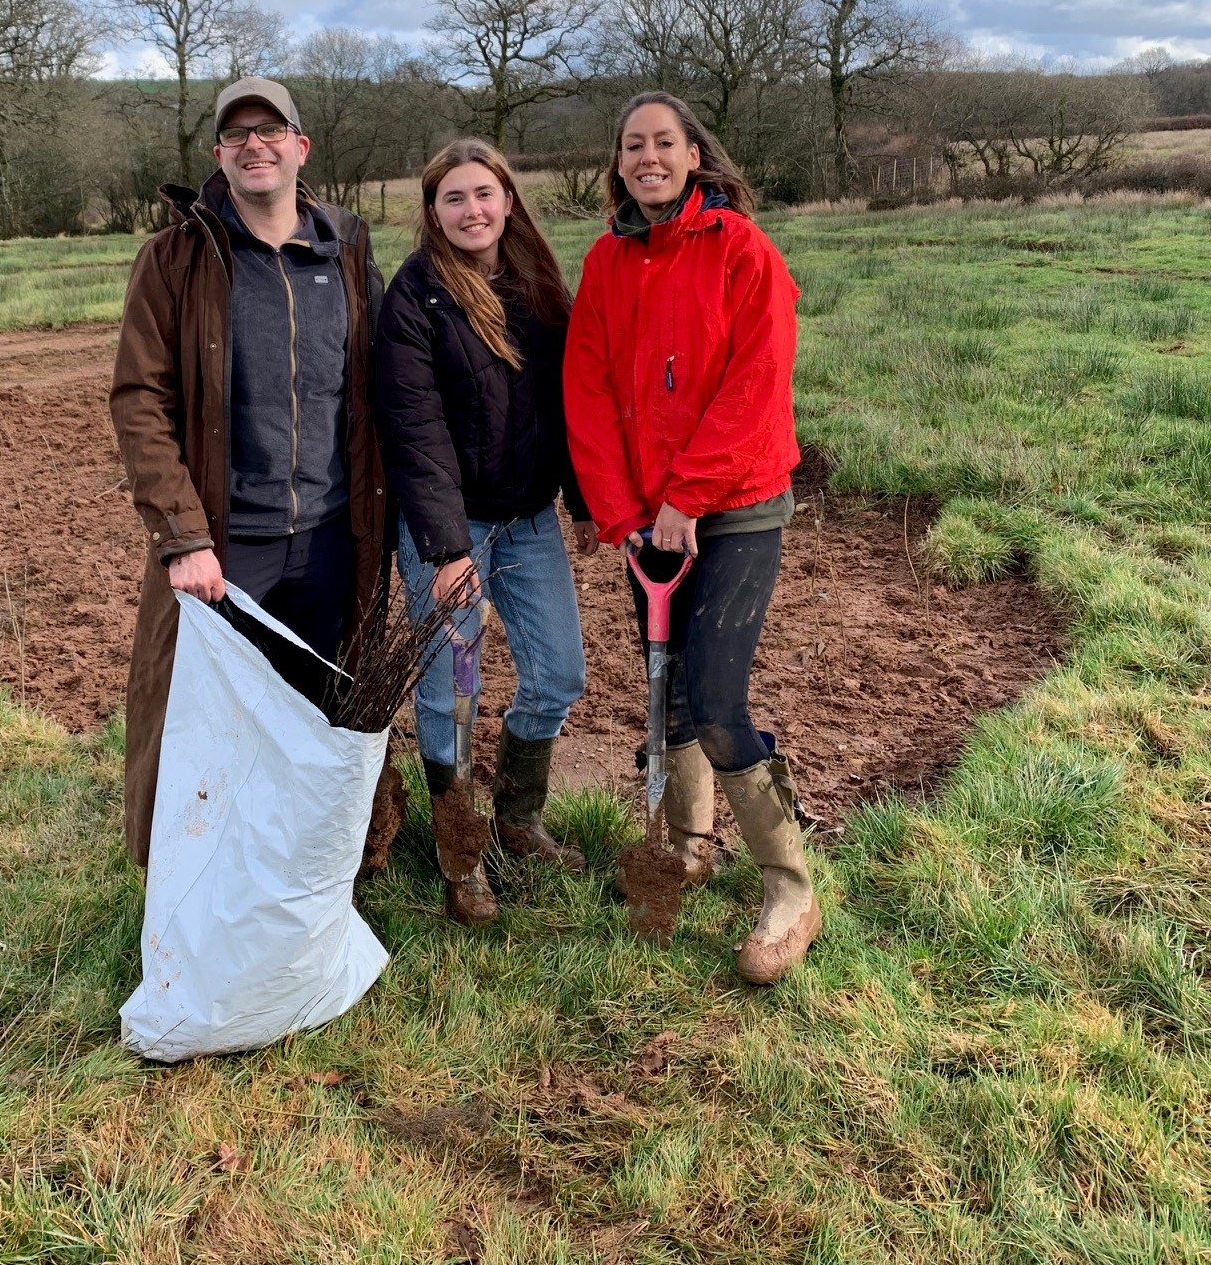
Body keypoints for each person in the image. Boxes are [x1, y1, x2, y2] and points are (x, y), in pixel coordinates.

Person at [563, 92, 818, 985]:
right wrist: (626, 510)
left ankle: (790, 887)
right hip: (649, 518)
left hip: (738, 500)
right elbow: (587, 388)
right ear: (620, 164)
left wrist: (688, 495)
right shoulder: (607, 261)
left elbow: (758, 378)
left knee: (712, 700)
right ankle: (686, 844)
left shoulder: (742, 250)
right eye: (633, 145)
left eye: (663, 142)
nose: (648, 157)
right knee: (663, 689)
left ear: (694, 156)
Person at [110, 75, 391, 870]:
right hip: (226, 548)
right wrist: (182, 536)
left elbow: (390, 381)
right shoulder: (177, 260)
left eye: (272, 131)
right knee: (201, 721)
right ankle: (191, 874)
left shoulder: (346, 248)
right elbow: (139, 400)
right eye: (238, 134)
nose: (254, 144)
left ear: (301, 148)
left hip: (333, 537)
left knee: (313, 711)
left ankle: (305, 868)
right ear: (219, 156)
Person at [376, 139, 597, 924]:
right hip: (452, 528)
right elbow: (414, 426)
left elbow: (568, 404)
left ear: (508, 198)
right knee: (450, 696)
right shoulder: (414, 296)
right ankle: (460, 853)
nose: (472, 210)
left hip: (529, 517)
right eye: (454, 199)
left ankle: (516, 815)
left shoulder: (539, 284)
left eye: (484, 194)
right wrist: (444, 549)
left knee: (559, 674)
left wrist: (584, 502)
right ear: (432, 213)